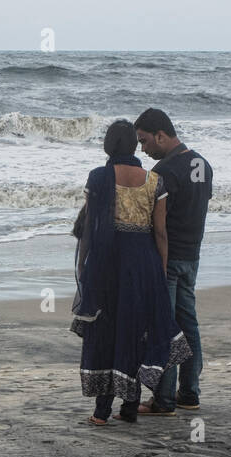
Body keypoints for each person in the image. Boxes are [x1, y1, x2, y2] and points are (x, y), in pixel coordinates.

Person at [71, 120, 191, 425]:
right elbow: (160, 233)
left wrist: (84, 266)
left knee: (107, 329)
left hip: (108, 263)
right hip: (143, 263)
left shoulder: (98, 177)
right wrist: (160, 272)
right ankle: (129, 408)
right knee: (135, 329)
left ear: (109, 146)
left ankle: (101, 412)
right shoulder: (153, 181)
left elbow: (88, 230)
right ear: (134, 146)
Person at [133, 108, 212, 415]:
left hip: (167, 258)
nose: (143, 148)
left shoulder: (163, 171)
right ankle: (189, 393)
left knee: (164, 328)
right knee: (188, 324)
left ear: (161, 135)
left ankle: (163, 399)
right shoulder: (203, 164)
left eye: (144, 140)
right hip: (192, 255)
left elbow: (157, 223)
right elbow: (198, 210)